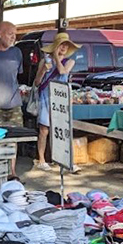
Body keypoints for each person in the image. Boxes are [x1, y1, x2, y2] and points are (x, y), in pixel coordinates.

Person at [34, 32, 80, 171]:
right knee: (44, 130)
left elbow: (62, 72)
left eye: (66, 45)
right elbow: (37, 82)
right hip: (46, 97)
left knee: (61, 129)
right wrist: (43, 69)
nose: (64, 48)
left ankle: (64, 159)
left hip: (60, 98)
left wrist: (56, 58)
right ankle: (41, 159)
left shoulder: (70, 61)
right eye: (61, 45)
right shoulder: (45, 61)